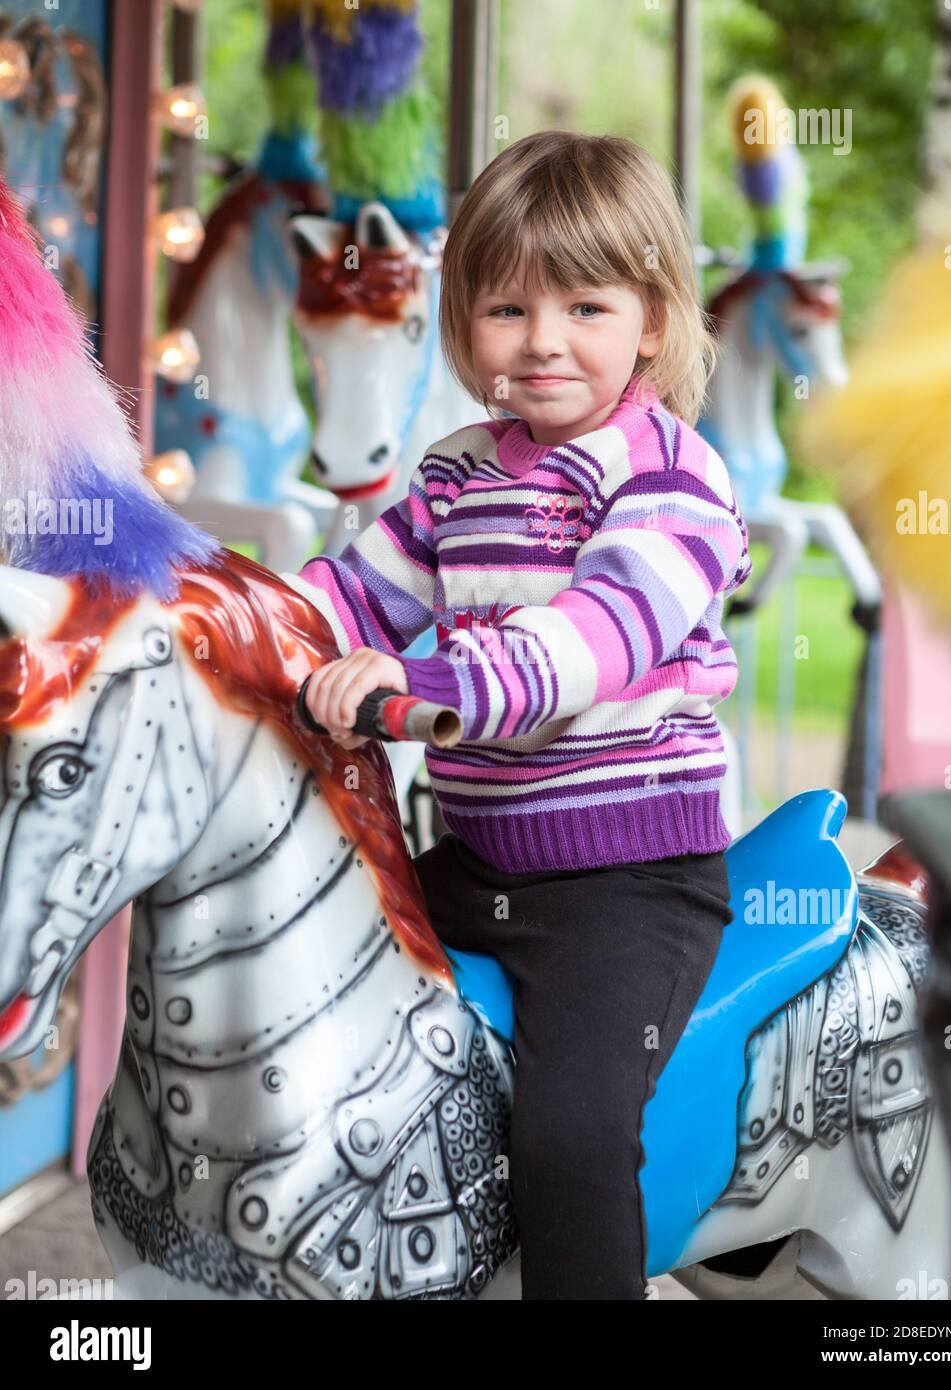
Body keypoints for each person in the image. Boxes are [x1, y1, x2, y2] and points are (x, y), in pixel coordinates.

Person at [295, 129, 752, 1299]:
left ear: (650, 321)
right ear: (463, 326)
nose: (542, 341)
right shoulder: (454, 472)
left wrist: (429, 684)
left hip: (626, 885)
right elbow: (352, 594)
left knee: (574, 1135)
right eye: (505, 309)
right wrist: (229, 620)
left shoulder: (674, 479)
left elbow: (593, 639)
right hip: (475, 854)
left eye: (585, 306)